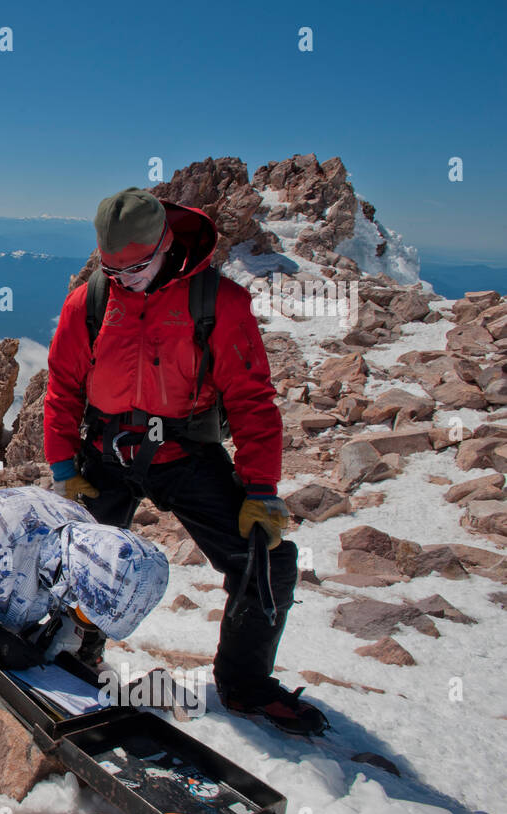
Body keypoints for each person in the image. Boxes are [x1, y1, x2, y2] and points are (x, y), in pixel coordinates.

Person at [43, 187, 327, 736]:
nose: (123, 279)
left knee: (266, 560)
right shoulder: (90, 300)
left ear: (165, 244)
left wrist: (262, 490)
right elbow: (63, 386)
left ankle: (245, 686)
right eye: (112, 268)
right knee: (78, 558)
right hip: (105, 448)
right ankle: (76, 655)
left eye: (136, 267)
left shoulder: (218, 302)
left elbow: (251, 400)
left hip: (184, 452)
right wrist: (63, 467)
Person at [0, 486, 169, 670]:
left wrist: (86, 638)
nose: (81, 616)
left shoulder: (91, 543)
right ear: (70, 580)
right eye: (84, 614)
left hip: (10, 613)